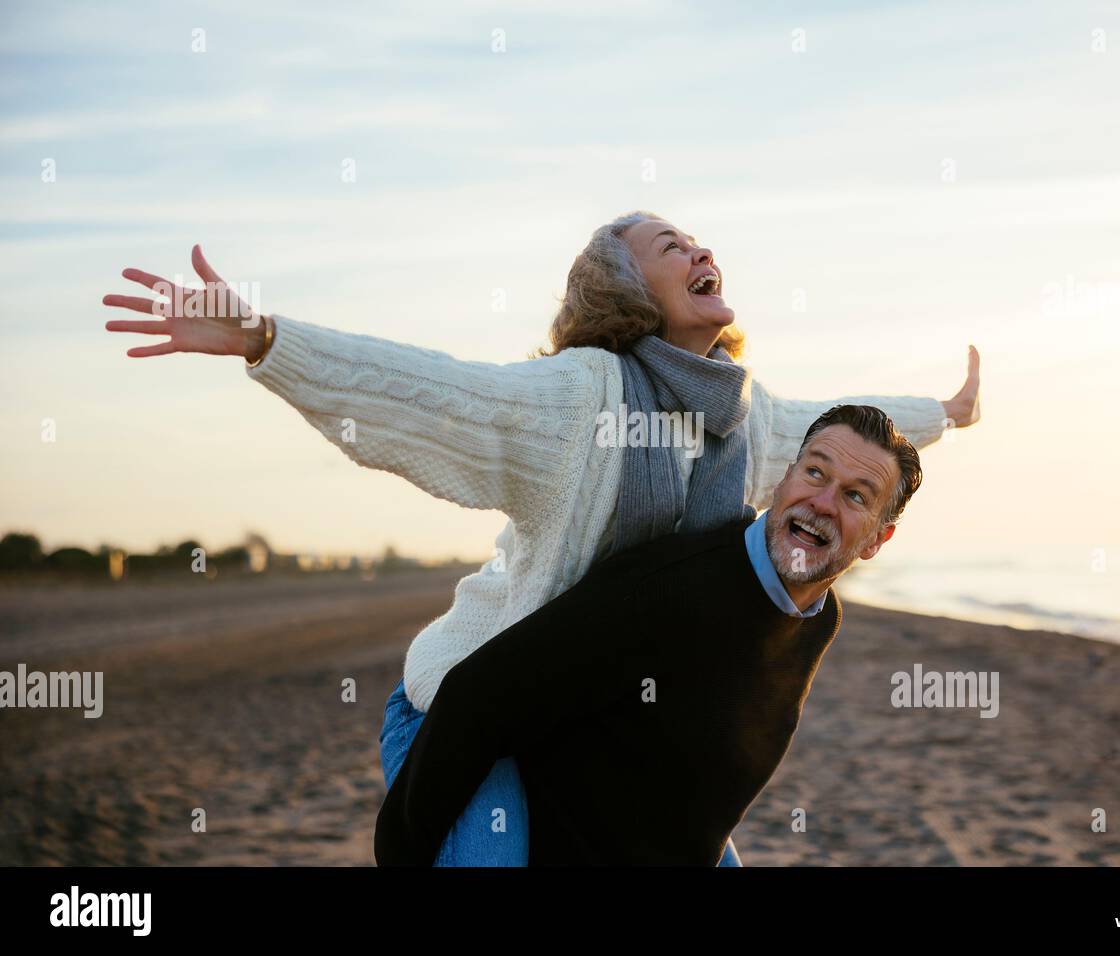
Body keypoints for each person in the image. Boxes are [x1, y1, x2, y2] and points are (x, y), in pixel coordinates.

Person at [102, 211, 981, 866]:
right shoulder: (580, 401)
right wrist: (267, 340)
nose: (700, 250)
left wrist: (944, 413)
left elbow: (839, 442)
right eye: (670, 247)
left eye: (699, 241)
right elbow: (429, 395)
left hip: (586, 727)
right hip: (467, 715)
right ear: (628, 291)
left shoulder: (741, 423)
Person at [376, 403, 920, 865]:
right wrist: (400, 853)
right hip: (492, 775)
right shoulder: (670, 589)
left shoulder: (819, 617)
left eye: (857, 497)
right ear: (784, 480)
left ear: (877, 539)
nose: (823, 502)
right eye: (816, 474)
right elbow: (478, 696)